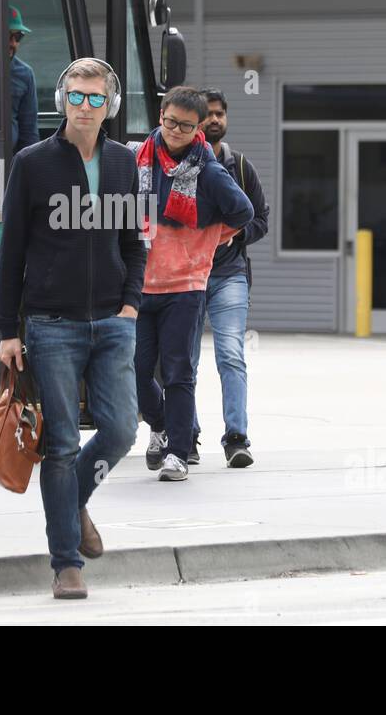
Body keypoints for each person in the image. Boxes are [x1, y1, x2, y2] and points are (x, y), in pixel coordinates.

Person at [0, 57, 146, 600]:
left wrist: (131, 304)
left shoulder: (125, 164)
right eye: (77, 96)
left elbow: (133, 243)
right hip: (51, 324)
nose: (86, 106)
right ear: (62, 101)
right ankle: (66, 561)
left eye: (96, 98)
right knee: (59, 444)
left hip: (112, 322)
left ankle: (72, 500)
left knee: (123, 430)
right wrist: (7, 331)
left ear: (111, 105)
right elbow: (10, 251)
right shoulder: (33, 164)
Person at [132, 87, 253, 483]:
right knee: (133, 369)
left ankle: (178, 453)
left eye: (185, 126)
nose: (175, 132)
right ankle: (163, 425)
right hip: (139, 284)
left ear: (198, 127)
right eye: (169, 122)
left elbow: (244, 212)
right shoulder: (138, 160)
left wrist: (207, 240)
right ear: (161, 114)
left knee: (179, 371)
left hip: (185, 286)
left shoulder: (209, 170)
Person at [188, 88, 269, 468]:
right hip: (186, 275)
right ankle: (185, 435)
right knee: (182, 360)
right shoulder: (182, 166)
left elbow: (261, 220)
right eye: (209, 114)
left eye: (221, 113)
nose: (216, 119)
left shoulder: (241, 167)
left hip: (229, 275)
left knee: (231, 356)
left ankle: (236, 438)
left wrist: (237, 234)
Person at [9, 6, 40, 154]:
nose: (13, 43)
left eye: (18, 37)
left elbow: (29, 131)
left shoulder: (25, 74)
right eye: (7, 36)